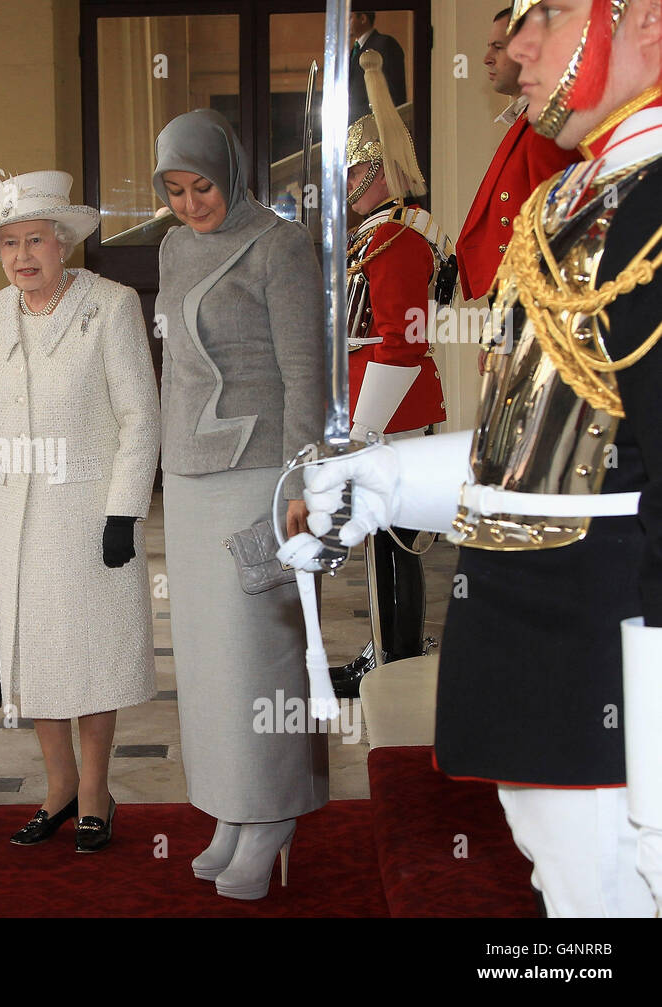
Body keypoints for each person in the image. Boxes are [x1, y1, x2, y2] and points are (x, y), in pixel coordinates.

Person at [297, 0, 662, 916]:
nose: (517, 45)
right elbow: (542, 455)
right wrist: (377, 483)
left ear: (645, 16)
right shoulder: (586, 191)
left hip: (620, 664)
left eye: (551, 11)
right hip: (551, 650)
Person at [153, 109, 328, 898]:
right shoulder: (172, 245)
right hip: (189, 482)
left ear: (235, 168)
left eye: (203, 186)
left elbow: (306, 378)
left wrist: (297, 487)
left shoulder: (281, 245)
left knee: (258, 656)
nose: (191, 204)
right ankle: (231, 807)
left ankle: (272, 815)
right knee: (209, 665)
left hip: (259, 472)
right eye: (175, 189)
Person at [0, 171, 160, 853]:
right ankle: (60, 787)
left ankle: (98, 791)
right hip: (16, 519)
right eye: (9, 242)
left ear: (64, 241)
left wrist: (123, 511)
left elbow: (140, 416)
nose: (22, 256)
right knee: (34, 658)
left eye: (35, 239)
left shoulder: (111, 304)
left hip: (86, 513)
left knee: (90, 654)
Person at [329, 50, 455, 699]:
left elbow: (402, 346)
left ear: (377, 170)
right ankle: (389, 652)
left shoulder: (397, 240)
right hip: (385, 410)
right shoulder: (379, 235)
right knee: (384, 546)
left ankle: (397, 663)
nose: (346, 177)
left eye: (354, 166)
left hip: (394, 413)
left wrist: (364, 429)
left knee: (396, 546)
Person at [456, 7, 580, 303]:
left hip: (532, 299)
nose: (487, 58)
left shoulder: (548, 126)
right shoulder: (528, 121)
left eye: (498, 47)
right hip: (513, 296)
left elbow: (558, 234)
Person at [349, 11, 407, 119]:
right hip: (355, 127)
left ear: (363, 18)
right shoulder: (352, 52)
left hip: (376, 125)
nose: (346, 23)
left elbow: (394, 92)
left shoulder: (385, 44)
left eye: (350, 17)